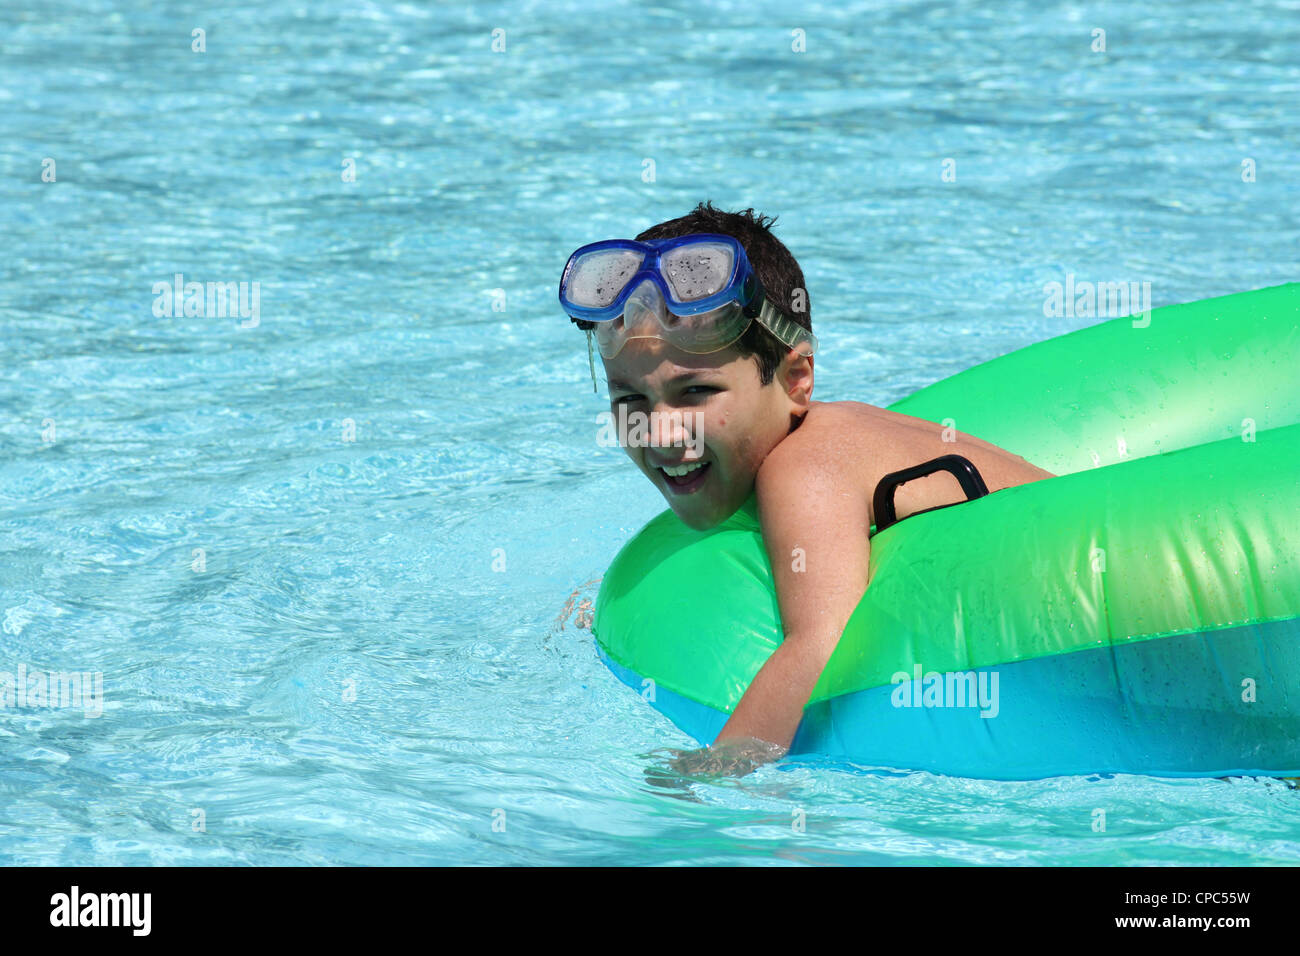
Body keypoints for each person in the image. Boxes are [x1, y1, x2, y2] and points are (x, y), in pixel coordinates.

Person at [559, 201, 1055, 776]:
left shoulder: (803, 469)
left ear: (796, 380)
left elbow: (822, 644)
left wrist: (710, 769)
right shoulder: (816, 441)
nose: (661, 431)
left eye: (696, 393)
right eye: (630, 400)